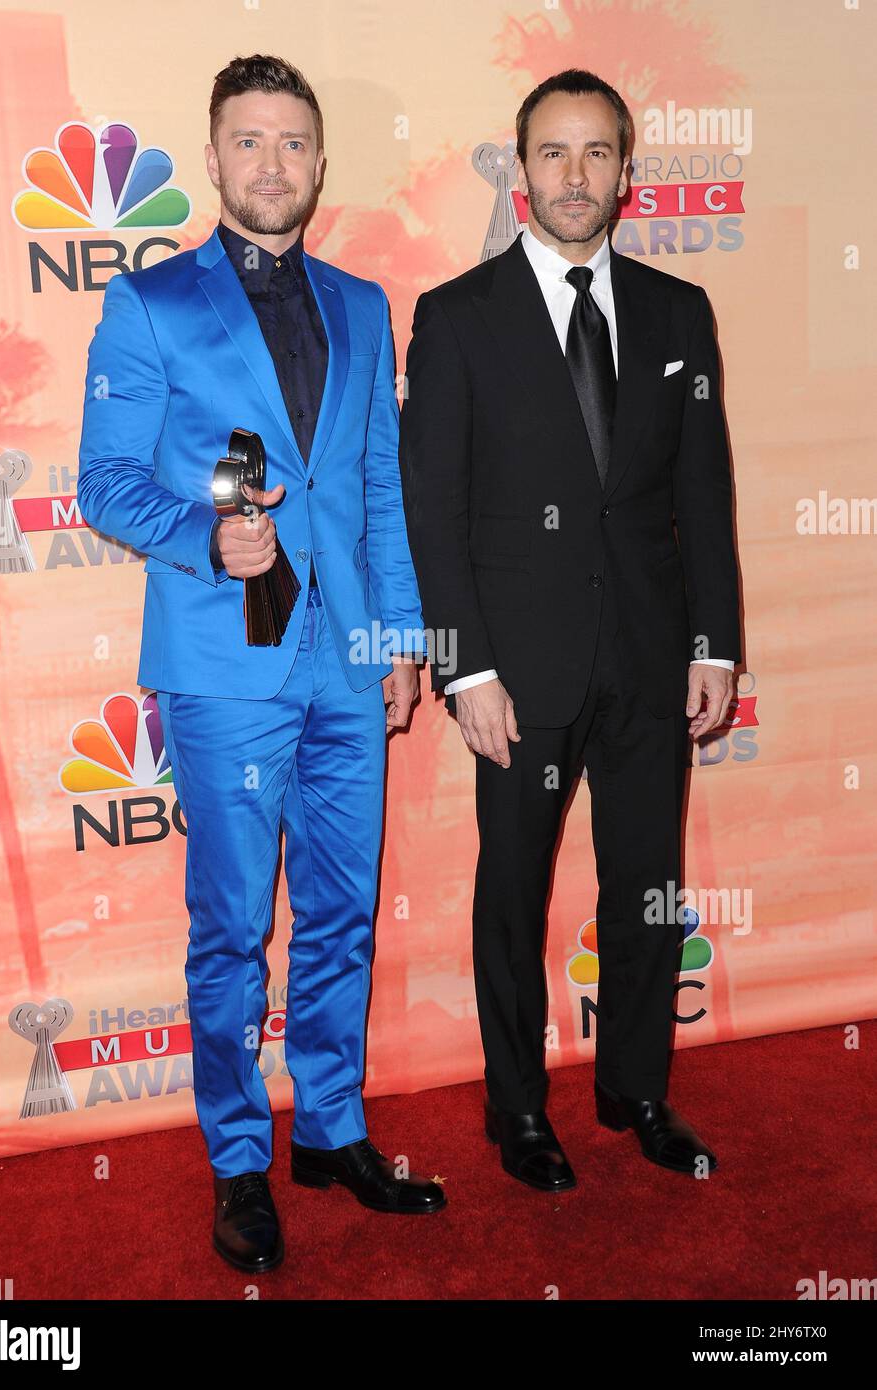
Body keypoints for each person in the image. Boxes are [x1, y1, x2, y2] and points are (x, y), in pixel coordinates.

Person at [78, 53, 445, 1274]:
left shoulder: (360, 302)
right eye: (250, 141)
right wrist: (207, 537)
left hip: (346, 660)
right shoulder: (152, 304)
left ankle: (331, 1127)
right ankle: (239, 1158)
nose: (273, 163)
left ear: (320, 161)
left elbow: (377, 488)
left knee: (342, 909)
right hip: (223, 669)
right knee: (232, 928)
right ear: (216, 155)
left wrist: (399, 637)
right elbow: (105, 482)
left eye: (294, 142)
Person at [399, 69, 741, 1192]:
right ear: (519, 166)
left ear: (628, 176)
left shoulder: (679, 314)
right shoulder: (456, 317)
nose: (575, 175)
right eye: (554, 152)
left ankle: (637, 1089)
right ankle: (516, 1109)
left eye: (599, 154)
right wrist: (467, 667)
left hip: (650, 660)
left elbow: (704, 493)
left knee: (647, 886)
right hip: (518, 672)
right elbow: (431, 507)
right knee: (514, 896)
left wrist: (717, 643)